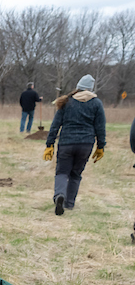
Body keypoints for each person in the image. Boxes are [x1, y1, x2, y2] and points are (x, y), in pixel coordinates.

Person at [44, 74, 106, 215]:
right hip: (86, 144)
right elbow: (100, 127)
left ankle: (59, 195)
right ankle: (69, 203)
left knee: (62, 172)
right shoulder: (96, 103)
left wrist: (50, 144)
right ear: (90, 89)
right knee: (76, 174)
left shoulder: (67, 101)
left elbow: (55, 125)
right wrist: (101, 146)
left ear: (78, 87)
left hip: (66, 143)